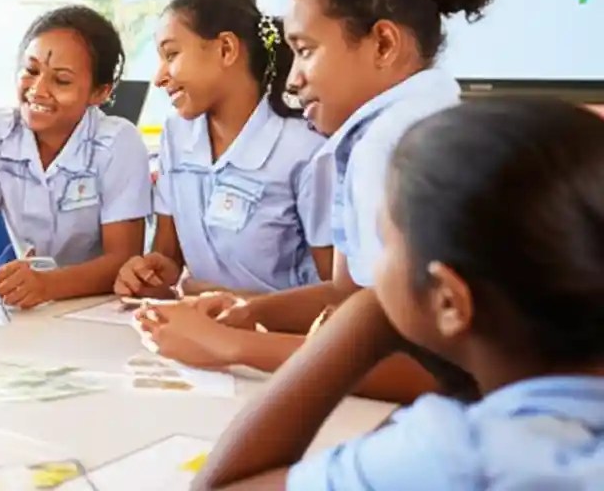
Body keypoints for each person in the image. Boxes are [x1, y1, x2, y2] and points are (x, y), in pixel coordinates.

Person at [136, 0, 496, 403]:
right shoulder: (386, 132)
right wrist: (247, 311)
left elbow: (434, 366)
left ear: (383, 43)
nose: (291, 78)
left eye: (305, 50)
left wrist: (233, 345)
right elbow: (352, 294)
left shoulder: (400, 150)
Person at [193, 98, 604, 490]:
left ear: (448, 300)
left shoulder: (455, 455)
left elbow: (219, 488)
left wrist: (365, 317)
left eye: (385, 243)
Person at [114, 0, 331, 299]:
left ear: (226, 49)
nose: (159, 77)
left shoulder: (305, 149)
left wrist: (237, 305)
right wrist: (147, 274)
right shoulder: (177, 135)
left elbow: (338, 299)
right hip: (200, 334)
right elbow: (168, 260)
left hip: (283, 342)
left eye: (171, 54)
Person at [0, 5, 152, 307]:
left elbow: (123, 258)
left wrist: (48, 285)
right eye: (31, 71)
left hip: (98, 306)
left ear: (100, 93)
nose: (37, 90)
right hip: (31, 302)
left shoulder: (118, 142)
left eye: (61, 80)